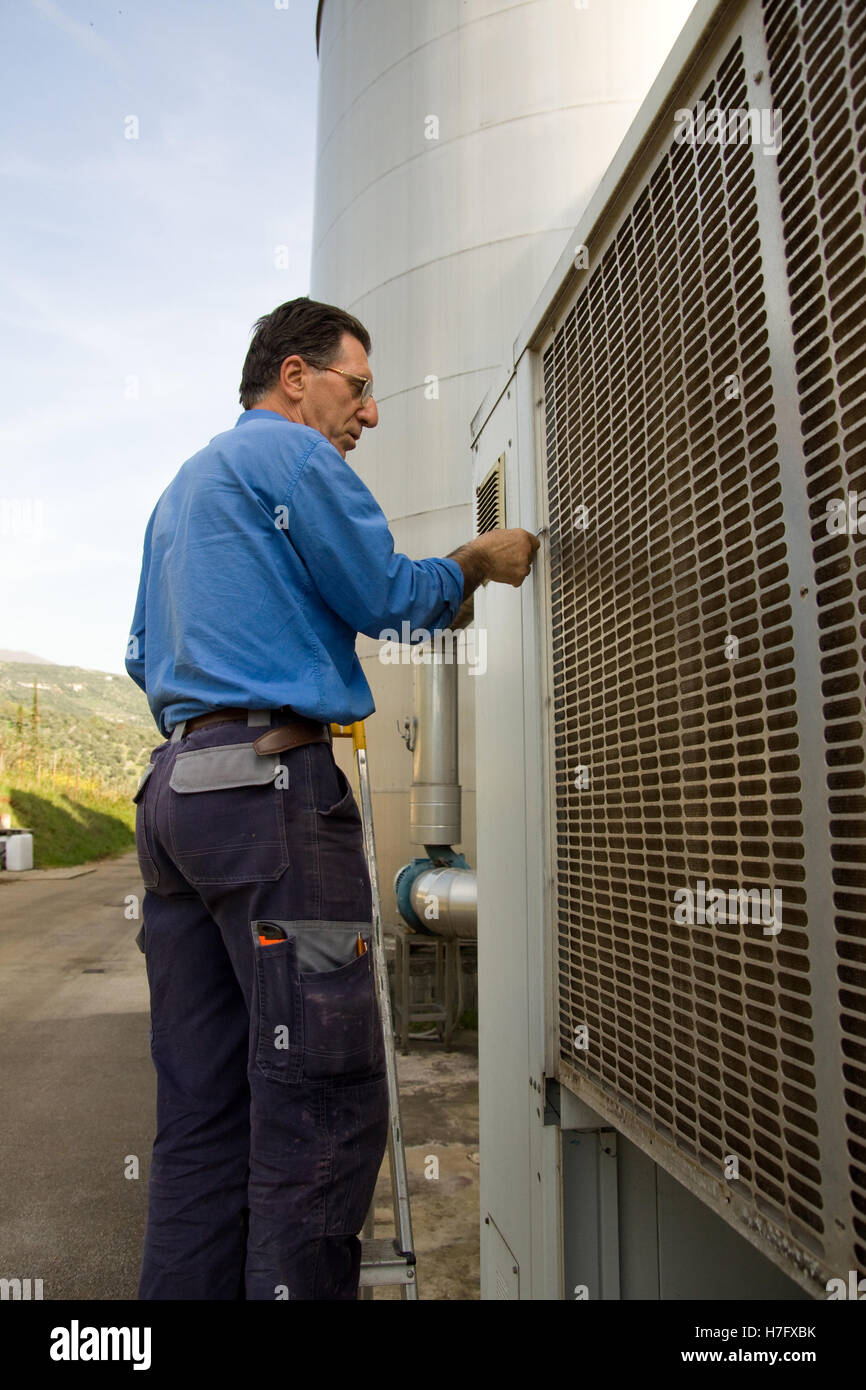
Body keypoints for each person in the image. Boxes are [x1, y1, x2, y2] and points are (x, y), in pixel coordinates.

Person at [124, 296, 539, 1300]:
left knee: (203, 1109)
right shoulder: (296, 461)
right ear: (296, 376)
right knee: (317, 1098)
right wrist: (475, 563)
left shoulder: (179, 492)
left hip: (176, 799)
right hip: (272, 805)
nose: (372, 412)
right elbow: (392, 596)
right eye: (360, 386)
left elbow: (141, 657)